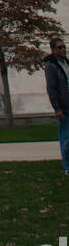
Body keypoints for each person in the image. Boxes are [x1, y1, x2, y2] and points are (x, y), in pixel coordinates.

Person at [44, 36, 69, 177]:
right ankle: (67, 166)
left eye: (64, 46)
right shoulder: (51, 66)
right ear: (53, 50)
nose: (63, 49)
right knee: (66, 138)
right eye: (60, 47)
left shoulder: (66, 64)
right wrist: (57, 109)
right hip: (64, 108)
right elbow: (52, 89)